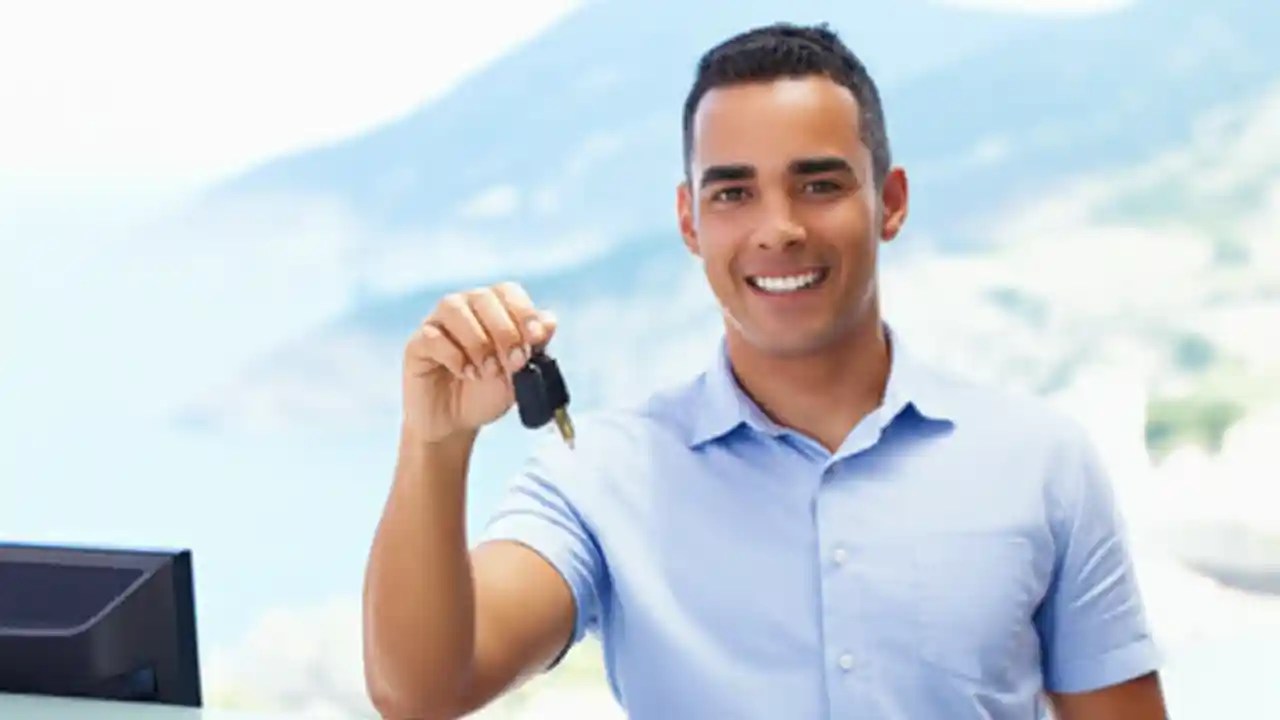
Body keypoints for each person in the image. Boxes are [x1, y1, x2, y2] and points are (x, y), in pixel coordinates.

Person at [361, 21, 1168, 720]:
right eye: (733, 194)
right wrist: (436, 444)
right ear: (690, 221)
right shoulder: (600, 478)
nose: (777, 229)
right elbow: (423, 692)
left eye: (818, 184)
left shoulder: (1041, 463)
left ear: (889, 201)